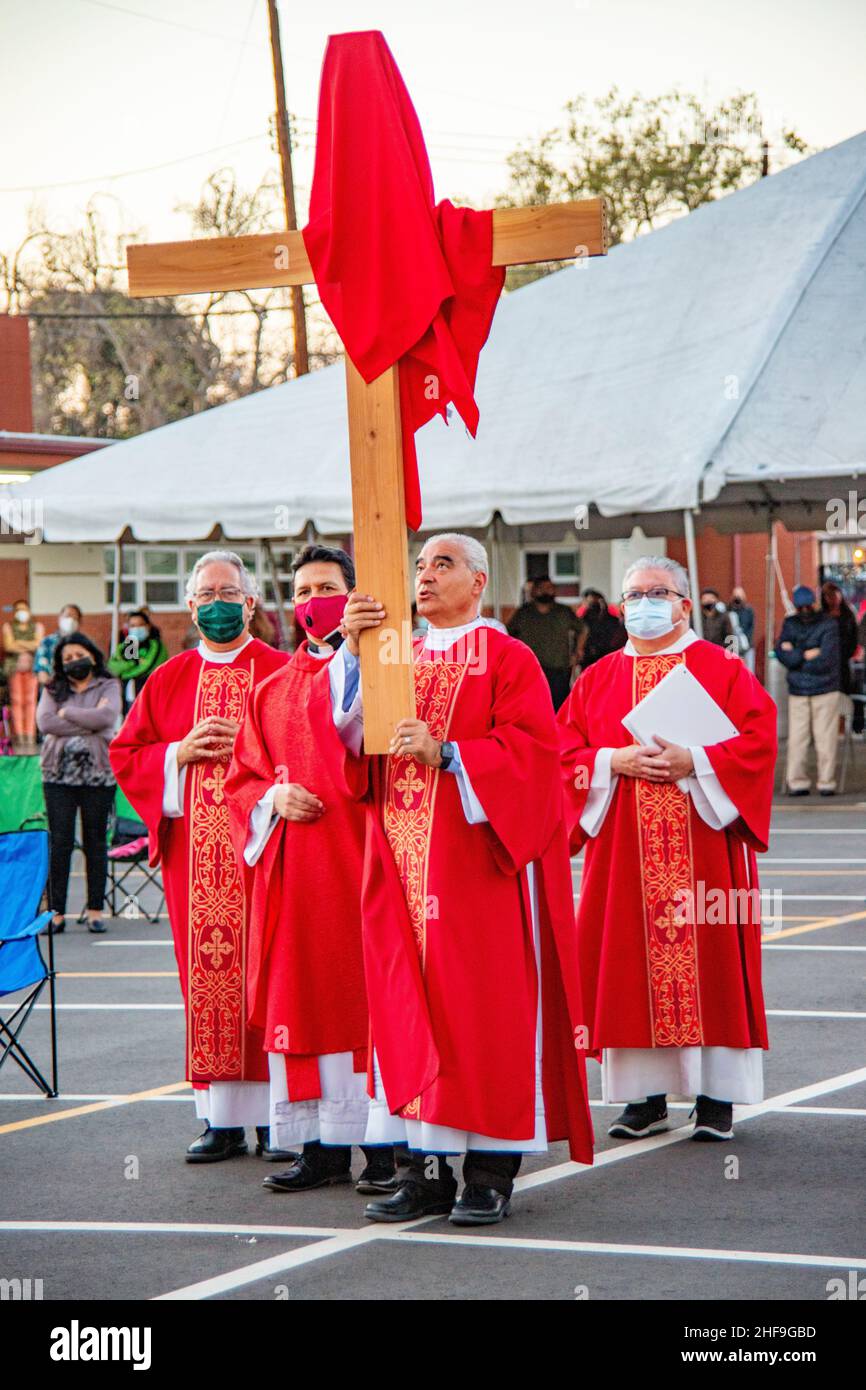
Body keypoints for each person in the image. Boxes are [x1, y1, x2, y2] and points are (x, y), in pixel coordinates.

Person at [335, 533, 593, 1227]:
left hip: (475, 871)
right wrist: (352, 652)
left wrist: (451, 754)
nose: (424, 575)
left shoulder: (508, 657)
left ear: (478, 581)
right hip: (401, 868)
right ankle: (424, 1170)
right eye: (419, 565)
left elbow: (538, 758)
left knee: (482, 1015)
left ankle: (488, 1172)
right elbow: (349, 743)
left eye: (442, 564)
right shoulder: (399, 655)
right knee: (406, 1007)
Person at [559, 557, 776, 1143]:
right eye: (634, 595)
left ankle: (716, 1099)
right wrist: (609, 761)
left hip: (704, 847)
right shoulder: (597, 677)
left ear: (685, 604)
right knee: (627, 961)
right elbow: (561, 752)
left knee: (714, 966)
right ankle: (643, 1097)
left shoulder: (721, 669)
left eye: (659, 593)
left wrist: (698, 760)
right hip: (626, 854)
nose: (644, 604)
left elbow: (758, 739)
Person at [110, 551, 290, 1163]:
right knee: (205, 979)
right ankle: (218, 1117)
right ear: (190, 606)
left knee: (267, 978)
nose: (217, 603)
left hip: (263, 852)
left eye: (228, 592)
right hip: (196, 858)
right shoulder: (169, 677)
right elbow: (127, 752)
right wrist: (176, 755)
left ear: (251, 601)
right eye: (205, 593)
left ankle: (274, 1118)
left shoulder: (281, 670)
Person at [226, 544, 393, 1197]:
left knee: (363, 1005)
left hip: (360, 862)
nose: (312, 599)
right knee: (307, 1003)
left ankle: (380, 1147)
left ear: (352, 593)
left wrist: (353, 650)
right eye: (302, 590)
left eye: (326, 586)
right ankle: (321, 1148)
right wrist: (272, 798)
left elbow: (351, 728)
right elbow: (242, 778)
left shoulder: (383, 670)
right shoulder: (270, 687)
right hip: (295, 873)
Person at [36, 634, 121, 934]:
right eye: (67, 658)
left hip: (99, 775)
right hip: (57, 777)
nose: (74, 661)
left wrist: (68, 713)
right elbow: (45, 722)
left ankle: (96, 910)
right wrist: (89, 721)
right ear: (61, 664)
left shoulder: (108, 684)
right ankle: (56, 913)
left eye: (78, 655)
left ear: (93, 656)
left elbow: (107, 717)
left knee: (95, 843)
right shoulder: (52, 688)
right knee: (60, 843)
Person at [775, 585, 841, 796]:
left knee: (798, 739)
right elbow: (826, 659)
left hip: (799, 689)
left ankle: (797, 782)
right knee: (825, 739)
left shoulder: (790, 624)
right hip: (825, 688)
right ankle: (826, 783)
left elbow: (784, 654)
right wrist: (807, 654)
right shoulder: (828, 624)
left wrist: (795, 654)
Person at [506, 574, 585, 709]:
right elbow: (508, 635)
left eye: (550, 588)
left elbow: (583, 630)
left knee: (559, 709)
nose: (546, 591)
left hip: (559, 669)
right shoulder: (523, 613)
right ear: (534, 591)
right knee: (531, 709)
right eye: (542, 588)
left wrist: (578, 651)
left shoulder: (564, 611)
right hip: (530, 671)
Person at [108, 610, 169, 714]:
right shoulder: (127, 645)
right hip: (127, 693)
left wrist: (125, 670)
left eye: (140, 625)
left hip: (150, 693)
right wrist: (136, 663)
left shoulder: (156, 645)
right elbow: (113, 666)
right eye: (133, 625)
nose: (136, 628)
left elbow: (148, 667)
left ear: (148, 626)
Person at [34, 604, 82, 686]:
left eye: (75, 618)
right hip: (53, 688)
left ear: (79, 622)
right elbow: (41, 671)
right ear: (60, 618)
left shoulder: (84, 644)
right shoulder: (47, 642)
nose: (71, 620)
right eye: (68, 616)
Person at [578, 589, 626, 670]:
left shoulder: (612, 621)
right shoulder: (583, 621)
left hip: (607, 656)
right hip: (588, 656)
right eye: (591, 603)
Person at [2, 600, 44, 677]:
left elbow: (38, 645)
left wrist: (18, 642)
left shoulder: (38, 626)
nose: (21, 612)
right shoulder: (8, 626)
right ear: (14, 612)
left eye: (24, 609)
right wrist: (30, 645)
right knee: (17, 688)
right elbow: (9, 647)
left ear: (29, 611)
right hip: (13, 665)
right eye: (18, 610)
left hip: (33, 664)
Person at [729, 586, 755, 671]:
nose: (737, 598)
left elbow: (751, 628)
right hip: (731, 647)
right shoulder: (728, 611)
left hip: (747, 646)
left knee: (749, 671)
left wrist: (745, 643)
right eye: (736, 595)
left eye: (739, 596)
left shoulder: (749, 611)